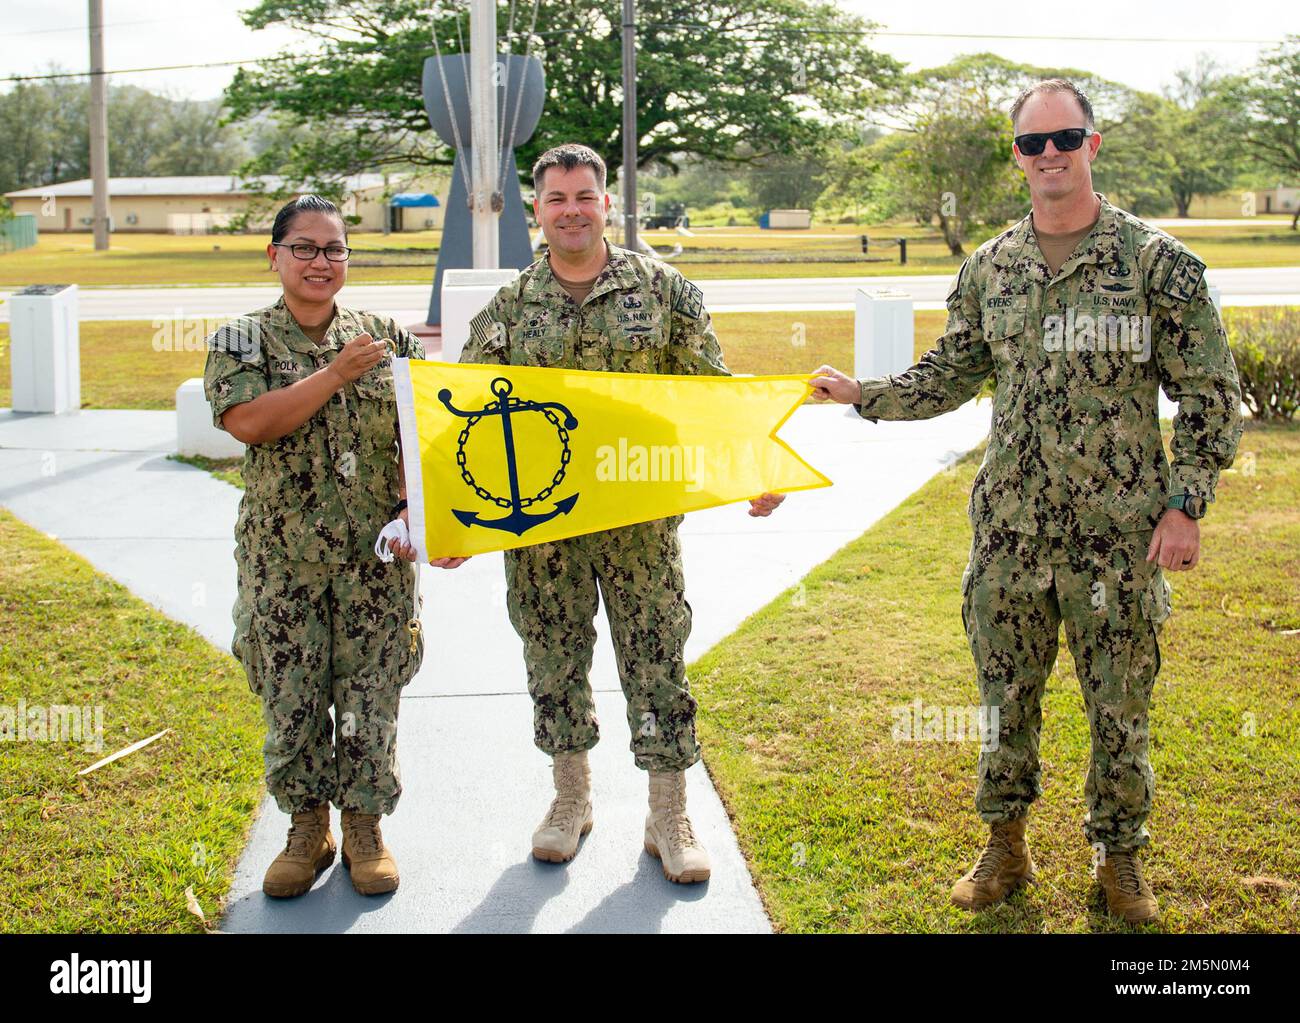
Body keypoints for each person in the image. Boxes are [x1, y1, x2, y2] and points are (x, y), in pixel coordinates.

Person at [810, 80, 1242, 923]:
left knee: (1119, 703)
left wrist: (1186, 503)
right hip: (1010, 532)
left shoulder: (1158, 266)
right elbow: (951, 372)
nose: (1050, 155)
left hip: (1121, 538)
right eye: (1033, 144)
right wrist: (863, 392)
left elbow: (1209, 391)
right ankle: (1005, 846)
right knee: (1005, 696)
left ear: (1093, 144)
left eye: (1065, 139)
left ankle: (1122, 860)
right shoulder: (992, 267)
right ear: (1017, 156)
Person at [457, 143, 785, 884]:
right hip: (542, 529)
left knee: (656, 660)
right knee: (552, 656)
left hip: (641, 521)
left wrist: (756, 468)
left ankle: (667, 813)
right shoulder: (509, 308)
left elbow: (713, 395)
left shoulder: (666, 292)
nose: (571, 210)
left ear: (608, 203)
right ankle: (569, 799)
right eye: (556, 198)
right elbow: (466, 417)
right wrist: (452, 521)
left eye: (584, 195)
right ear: (536, 210)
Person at [204, 194, 436, 898]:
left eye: (334, 249)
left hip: (373, 562)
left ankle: (364, 822)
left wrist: (411, 509)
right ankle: (308, 825)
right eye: (303, 247)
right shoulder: (243, 340)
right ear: (274, 255)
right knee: (291, 697)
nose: (320, 261)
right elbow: (249, 421)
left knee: (372, 692)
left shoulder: (385, 336)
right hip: (284, 563)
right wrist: (335, 373)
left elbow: (421, 431)